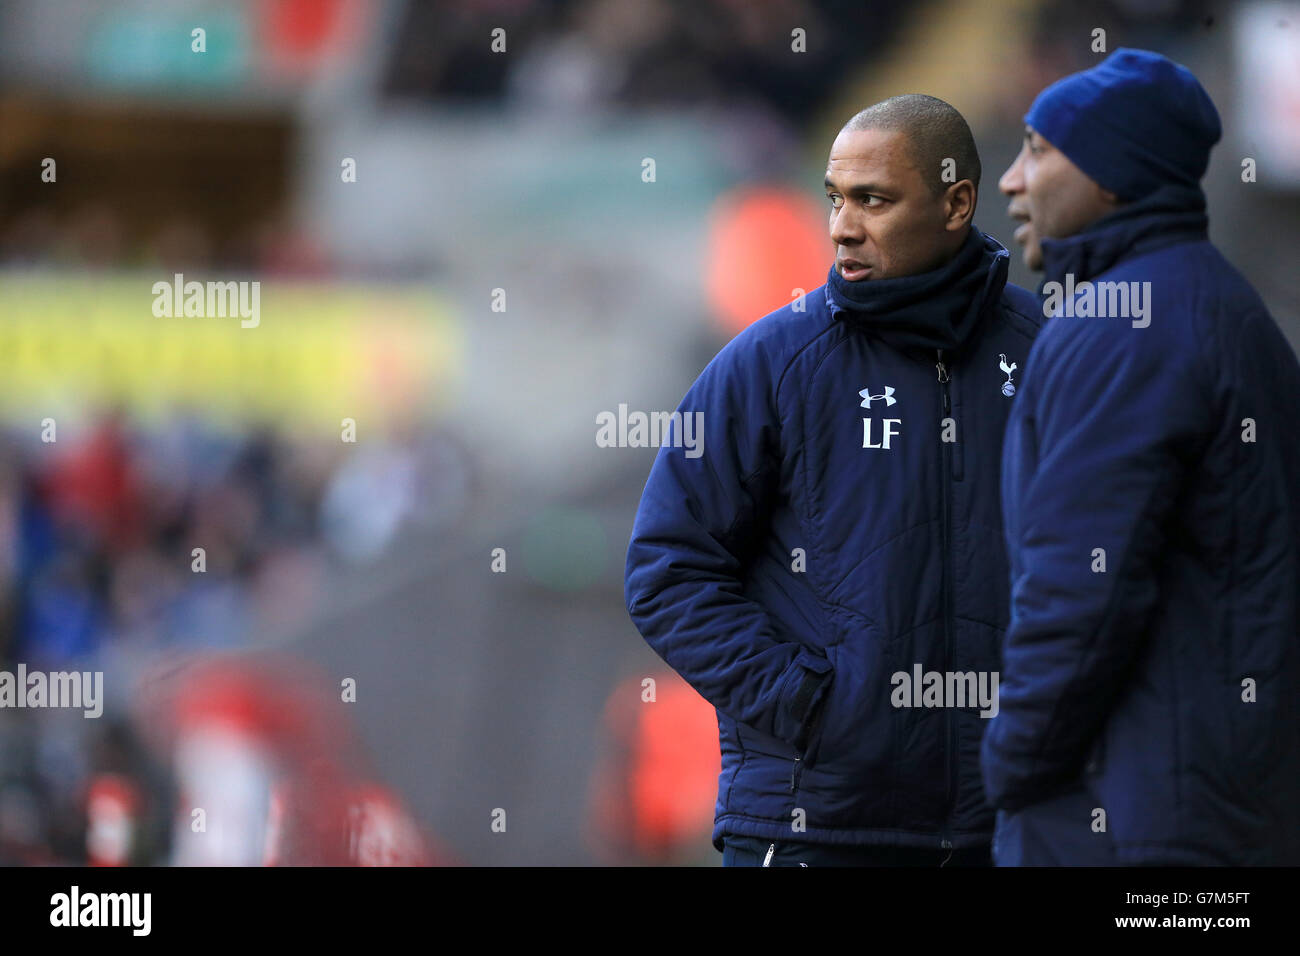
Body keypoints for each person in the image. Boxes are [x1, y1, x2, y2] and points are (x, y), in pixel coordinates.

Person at [625, 95, 1041, 866]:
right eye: (835, 199)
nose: (843, 226)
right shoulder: (768, 364)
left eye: (873, 200)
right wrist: (812, 707)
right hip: (809, 827)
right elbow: (667, 569)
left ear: (957, 204)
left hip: (1011, 829)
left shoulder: (1051, 355)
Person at [984, 48, 1300, 865]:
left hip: (1124, 821)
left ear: (1112, 177)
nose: (1011, 181)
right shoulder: (1220, 307)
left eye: (1038, 150)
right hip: (1223, 809)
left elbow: (1081, 590)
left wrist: (1010, 766)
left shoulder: (1124, 328)